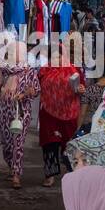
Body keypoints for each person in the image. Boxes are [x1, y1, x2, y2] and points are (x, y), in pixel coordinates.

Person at [0, 32, 40, 189]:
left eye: (15, 53)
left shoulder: (29, 71)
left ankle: (16, 174)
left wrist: (26, 93)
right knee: (6, 143)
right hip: (3, 111)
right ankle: (12, 167)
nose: (12, 55)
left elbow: (36, 90)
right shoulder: (3, 70)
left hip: (21, 112)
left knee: (18, 143)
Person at [38, 35, 87, 187]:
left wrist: (80, 89)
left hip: (69, 114)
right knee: (49, 144)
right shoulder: (44, 71)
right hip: (49, 113)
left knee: (69, 144)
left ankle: (70, 174)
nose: (56, 60)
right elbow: (36, 87)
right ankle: (50, 175)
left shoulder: (74, 70)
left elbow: (83, 89)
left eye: (58, 56)